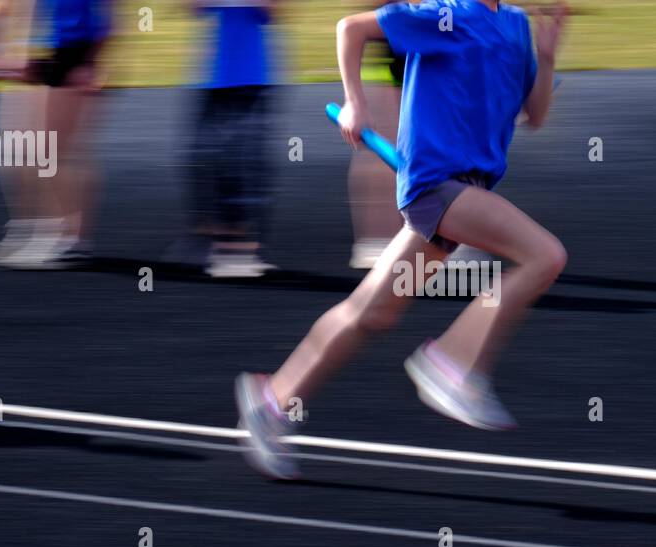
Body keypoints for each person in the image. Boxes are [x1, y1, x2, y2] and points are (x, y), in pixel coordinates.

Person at [235, 0, 568, 479]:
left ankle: (271, 402)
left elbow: (533, 115)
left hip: (468, 191)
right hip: (437, 188)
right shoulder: (442, 13)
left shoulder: (514, 25)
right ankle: (451, 362)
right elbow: (350, 28)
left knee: (370, 313)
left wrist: (547, 54)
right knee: (545, 255)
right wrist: (356, 102)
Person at [0, 0, 111, 270]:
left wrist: (94, 61)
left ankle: (71, 239)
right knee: (28, 148)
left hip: (74, 51)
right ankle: (47, 230)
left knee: (57, 152)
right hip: (45, 50)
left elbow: (107, 12)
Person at [173, 0, 281, 278]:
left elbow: (273, 10)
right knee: (207, 160)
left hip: (251, 74)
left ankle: (239, 247)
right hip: (214, 75)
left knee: (244, 161)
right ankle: (217, 242)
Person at [345, 0, 405, 269]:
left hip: (418, 29)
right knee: (390, 137)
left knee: (393, 136)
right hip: (409, 32)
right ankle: (378, 240)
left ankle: (379, 240)